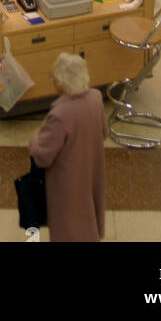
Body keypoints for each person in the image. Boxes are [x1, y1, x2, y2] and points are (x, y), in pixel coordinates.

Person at [28, 52, 107, 243]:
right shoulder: (96, 98)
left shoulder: (61, 115)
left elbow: (42, 156)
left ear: (62, 83)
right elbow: (103, 132)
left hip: (67, 183)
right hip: (90, 171)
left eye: (53, 77)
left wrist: (35, 138)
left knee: (69, 226)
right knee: (88, 219)